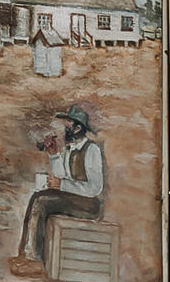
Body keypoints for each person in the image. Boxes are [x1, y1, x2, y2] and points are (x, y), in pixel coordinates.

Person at [15, 106, 106, 269]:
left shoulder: (92, 150)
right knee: (38, 196)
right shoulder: (69, 150)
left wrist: (62, 184)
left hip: (91, 205)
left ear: (78, 128)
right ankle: (25, 254)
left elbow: (95, 188)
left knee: (43, 201)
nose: (65, 127)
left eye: (68, 124)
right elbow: (61, 176)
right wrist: (53, 153)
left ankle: (34, 259)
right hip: (74, 200)